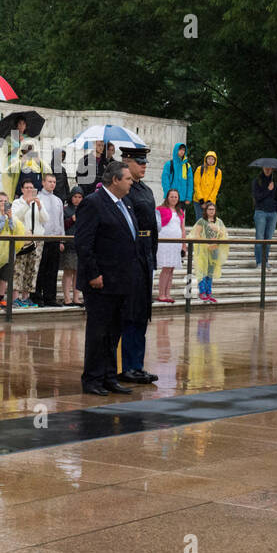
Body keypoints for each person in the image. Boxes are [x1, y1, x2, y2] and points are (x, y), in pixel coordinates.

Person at [73, 160, 143, 395]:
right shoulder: (93, 203)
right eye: (128, 179)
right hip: (101, 281)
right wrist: (93, 274)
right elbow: (84, 243)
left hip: (122, 279)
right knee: (98, 332)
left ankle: (109, 377)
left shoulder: (127, 204)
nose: (131, 183)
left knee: (114, 332)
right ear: (115, 180)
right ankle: (92, 379)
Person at [117, 145, 159, 382]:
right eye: (139, 162)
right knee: (130, 311)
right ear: (127, 162)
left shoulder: (145, 190)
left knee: (142, 311)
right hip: (131, 252)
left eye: (145, 163)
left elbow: (152, 227)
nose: (143, 166)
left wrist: (151, 254)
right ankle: (128, 366)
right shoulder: (124, 190)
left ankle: (138, 364)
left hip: (145, 252)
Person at [11, 179, 44, 307]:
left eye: (32, 187)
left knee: (32, 269)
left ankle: (26, 297)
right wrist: (26, 204)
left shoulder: (37, 202)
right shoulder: (17, 203)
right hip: (22, 240)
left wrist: (40, 207)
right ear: (22, 189)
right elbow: (14, 217)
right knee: (19, 268)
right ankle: (15, 298)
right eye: (27, 187)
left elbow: (45, 218)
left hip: (36, 239)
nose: (30, 190)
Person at [188, 200, 229, 302]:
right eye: (209, 209)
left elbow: (224, 235)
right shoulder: (202, 221)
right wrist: (206, 245)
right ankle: (202, 292)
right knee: (202, 271)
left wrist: (217, 231)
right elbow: (196, 235)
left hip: (215, 249)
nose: (211, 211)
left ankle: (209, 292)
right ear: (205, 211)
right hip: (203, 250)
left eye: (213, 209)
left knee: (210, 272)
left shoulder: (219, 222)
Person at [34, 172, 65, 307]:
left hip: (55, 239)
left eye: (54, 182)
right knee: (40, 269)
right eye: (49, 181)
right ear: (43, 183)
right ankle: (37, 296)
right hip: (42, 239)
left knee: (53, 270)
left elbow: (60, 221)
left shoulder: (58, 200)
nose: (52, 184)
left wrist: (62, 239)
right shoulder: (38, 198)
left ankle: (50, 297)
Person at [156, 189, 184, 302]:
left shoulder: (180, 212)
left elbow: (182, 229)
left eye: (176, 197)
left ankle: (168, 293)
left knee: (171, 269)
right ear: (167, 197)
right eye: (171, 196)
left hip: (175, 244)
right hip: (165, 242)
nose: (173, 199)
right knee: (166, 268)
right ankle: (161, 294)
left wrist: (184, 244)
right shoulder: (160, 209)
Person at [251, 166, 277, 267]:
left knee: (268, 239)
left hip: (273, 214)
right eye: (265, 168)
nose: (267, 169)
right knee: (260, 238)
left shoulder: (275, 182)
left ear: (272, 169)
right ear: (262, 168)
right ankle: (259, 262)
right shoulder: (257, 181)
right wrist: (268, 190)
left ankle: (265, 261)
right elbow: (257, 197)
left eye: (270, 168)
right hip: (260, 212)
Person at [61, 187, 85, 306]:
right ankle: (67, 298)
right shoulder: (65, 210)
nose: (77, 199)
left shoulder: (85, 209)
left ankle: (76, 297)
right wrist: (72, 219)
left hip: (81, 244)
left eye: (80, 197)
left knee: (78, 272)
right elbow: (62, 226)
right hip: (69, 243)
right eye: (75, 197)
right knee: (68, 271)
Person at [162, 143, 193, 217]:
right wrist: (167, 195)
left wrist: (188, 197)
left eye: (183, 150)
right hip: (171, 198)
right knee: (169, 218)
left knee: (180, 219)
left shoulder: (187, 166)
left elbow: (190, 182)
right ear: (176, 150)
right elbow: (165, 181)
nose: (182, 151)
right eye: (180, 149)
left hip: (182, 198)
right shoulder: (169, 164)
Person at [192, 150, 221, 223]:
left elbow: (216, 188)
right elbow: (196, 185)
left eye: (212, 159)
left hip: (211, 202)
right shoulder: (200, 169)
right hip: (198, 201)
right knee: (199, 222)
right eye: (209, 159)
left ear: (215, 160)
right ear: (206, 159)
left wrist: (209, 201)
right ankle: (199, 235)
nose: (210, 161)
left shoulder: (218, 172)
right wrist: (201, 200)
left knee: (210, 222)